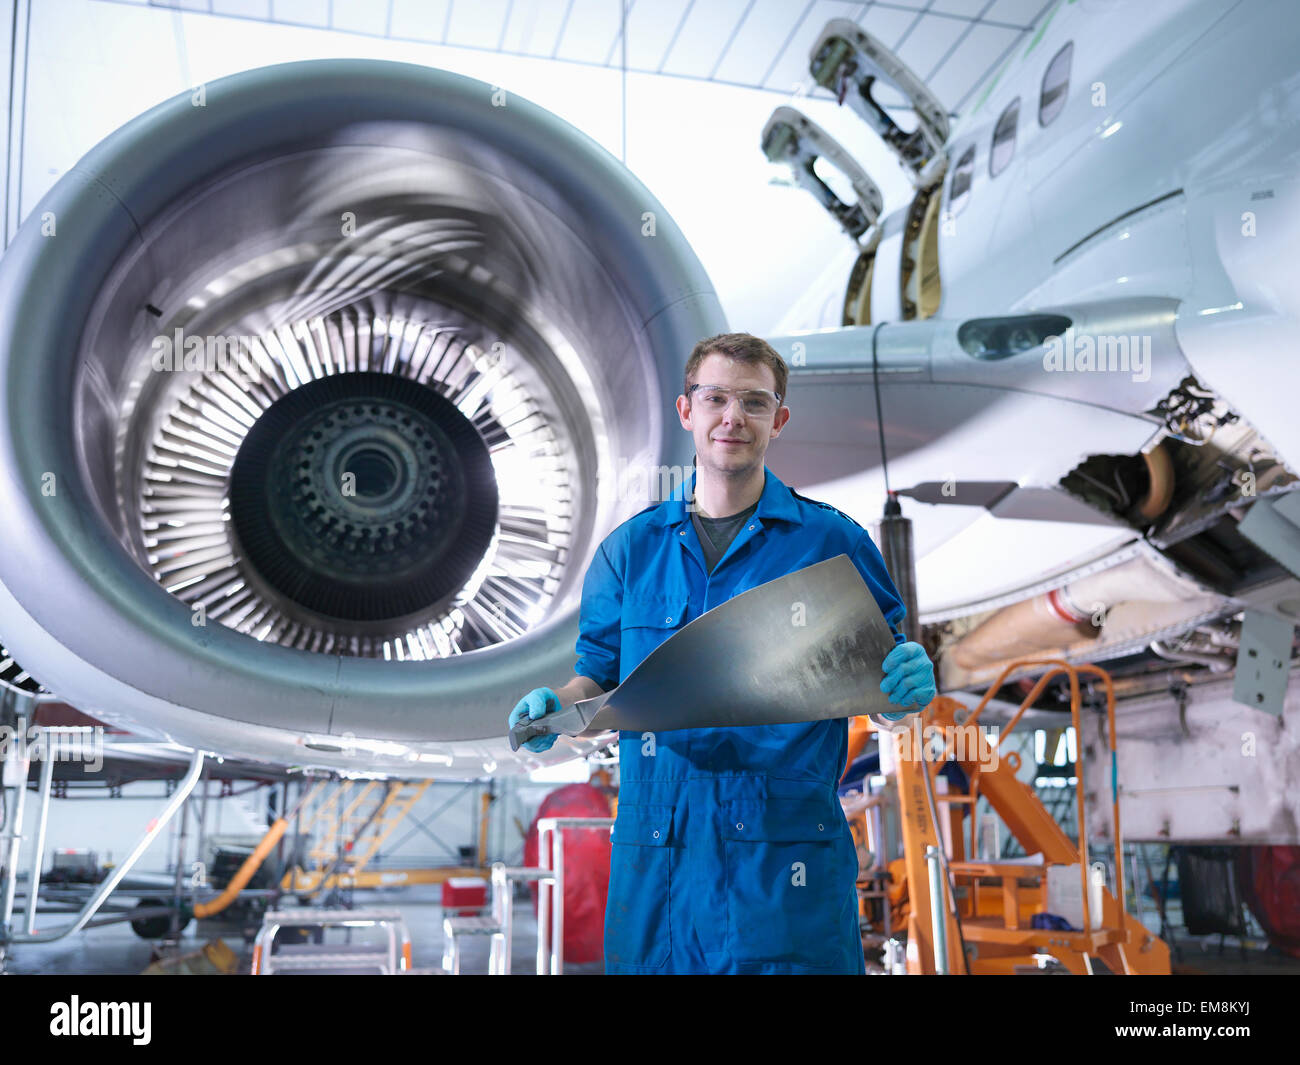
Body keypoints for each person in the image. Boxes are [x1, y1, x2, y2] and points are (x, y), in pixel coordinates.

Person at [508, 332, 937, 974]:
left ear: (779, 420)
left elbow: (880, 687)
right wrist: (556, 711)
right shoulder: (629, 551)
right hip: (659, 862)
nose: (733, 418)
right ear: (688, 411)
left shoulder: (830, 541)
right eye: (715, 399)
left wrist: (901, 699)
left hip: (782, 862)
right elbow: (596, 681)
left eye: (754, 403)